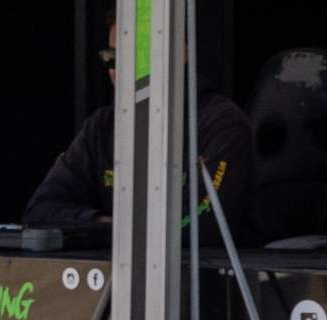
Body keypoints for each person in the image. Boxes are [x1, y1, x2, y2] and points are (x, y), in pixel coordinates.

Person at [22, 13, 253, 228]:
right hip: (119, 272)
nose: (121, 69)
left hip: (199, 272)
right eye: (112, 58)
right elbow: (40, 211)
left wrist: (120, 233)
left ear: (180, 54)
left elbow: (203, 222)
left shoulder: (222, 124)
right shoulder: (101, 127)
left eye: (138, 55)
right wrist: (106, 225)